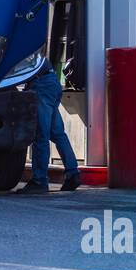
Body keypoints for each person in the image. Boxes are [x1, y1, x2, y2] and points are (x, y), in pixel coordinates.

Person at [20, 59, 81, 194]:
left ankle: (39, 180)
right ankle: (73, 173)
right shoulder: (30, 44)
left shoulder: (17, 45)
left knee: (41, 135)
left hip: (40, 85)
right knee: (57, 133)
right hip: (52, 81)